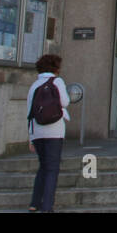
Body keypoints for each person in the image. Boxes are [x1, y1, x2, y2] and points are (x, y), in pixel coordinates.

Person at [27, 54, 70, 212]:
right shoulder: (57, 82)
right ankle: (47, 206)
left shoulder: (34, 85)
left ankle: (34, 203)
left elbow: (29, 113)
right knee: (52, 169)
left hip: (37, 131)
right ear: (56, 68)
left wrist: (31, 138)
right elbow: (64, 102)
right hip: (54, 131)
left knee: (43, 167)